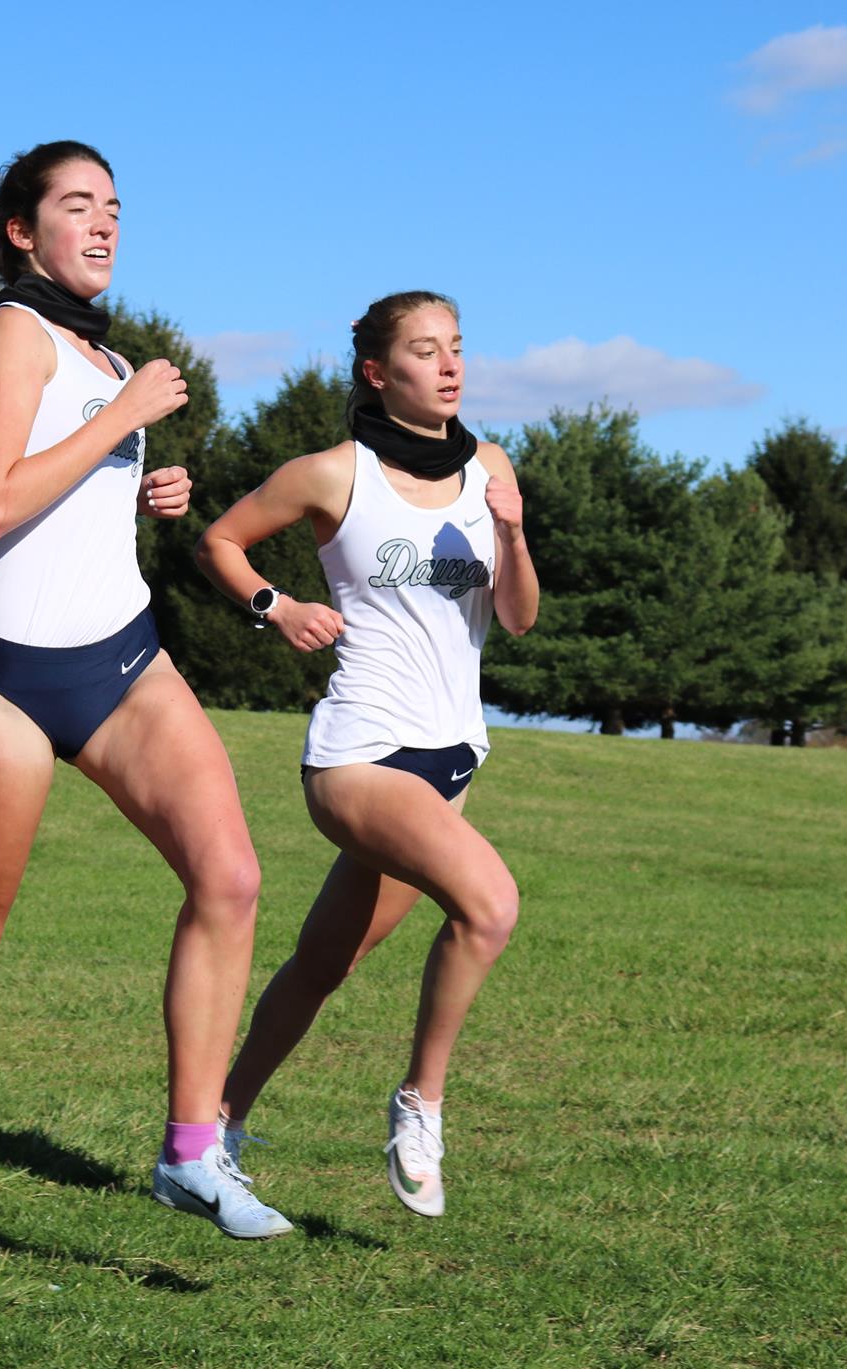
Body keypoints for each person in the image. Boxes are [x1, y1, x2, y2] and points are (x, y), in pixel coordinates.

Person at [0, 141, 287, 1244]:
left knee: (230, 878)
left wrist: (148, 481)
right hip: (12, 683)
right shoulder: (8, 332)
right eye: (78, 205)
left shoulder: (100, 351)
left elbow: (68, 495)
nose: (105, 222)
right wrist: (123, 420)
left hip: (123, 657)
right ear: (21, 230)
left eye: (116, 206)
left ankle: (190, 1148)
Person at [194, 289, 537, 1218]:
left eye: (458, 346)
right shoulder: (333, 474)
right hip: (362, 757)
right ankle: (420, 1105)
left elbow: (517, 616)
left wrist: (508, 529)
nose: (451, 364)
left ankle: (212, 1131)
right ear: (380, 373)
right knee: (491, 904)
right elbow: (219, 539)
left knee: (324, 963)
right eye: (426, 351)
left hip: (451, 760)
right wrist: (280, 608)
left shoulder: (491, 469)